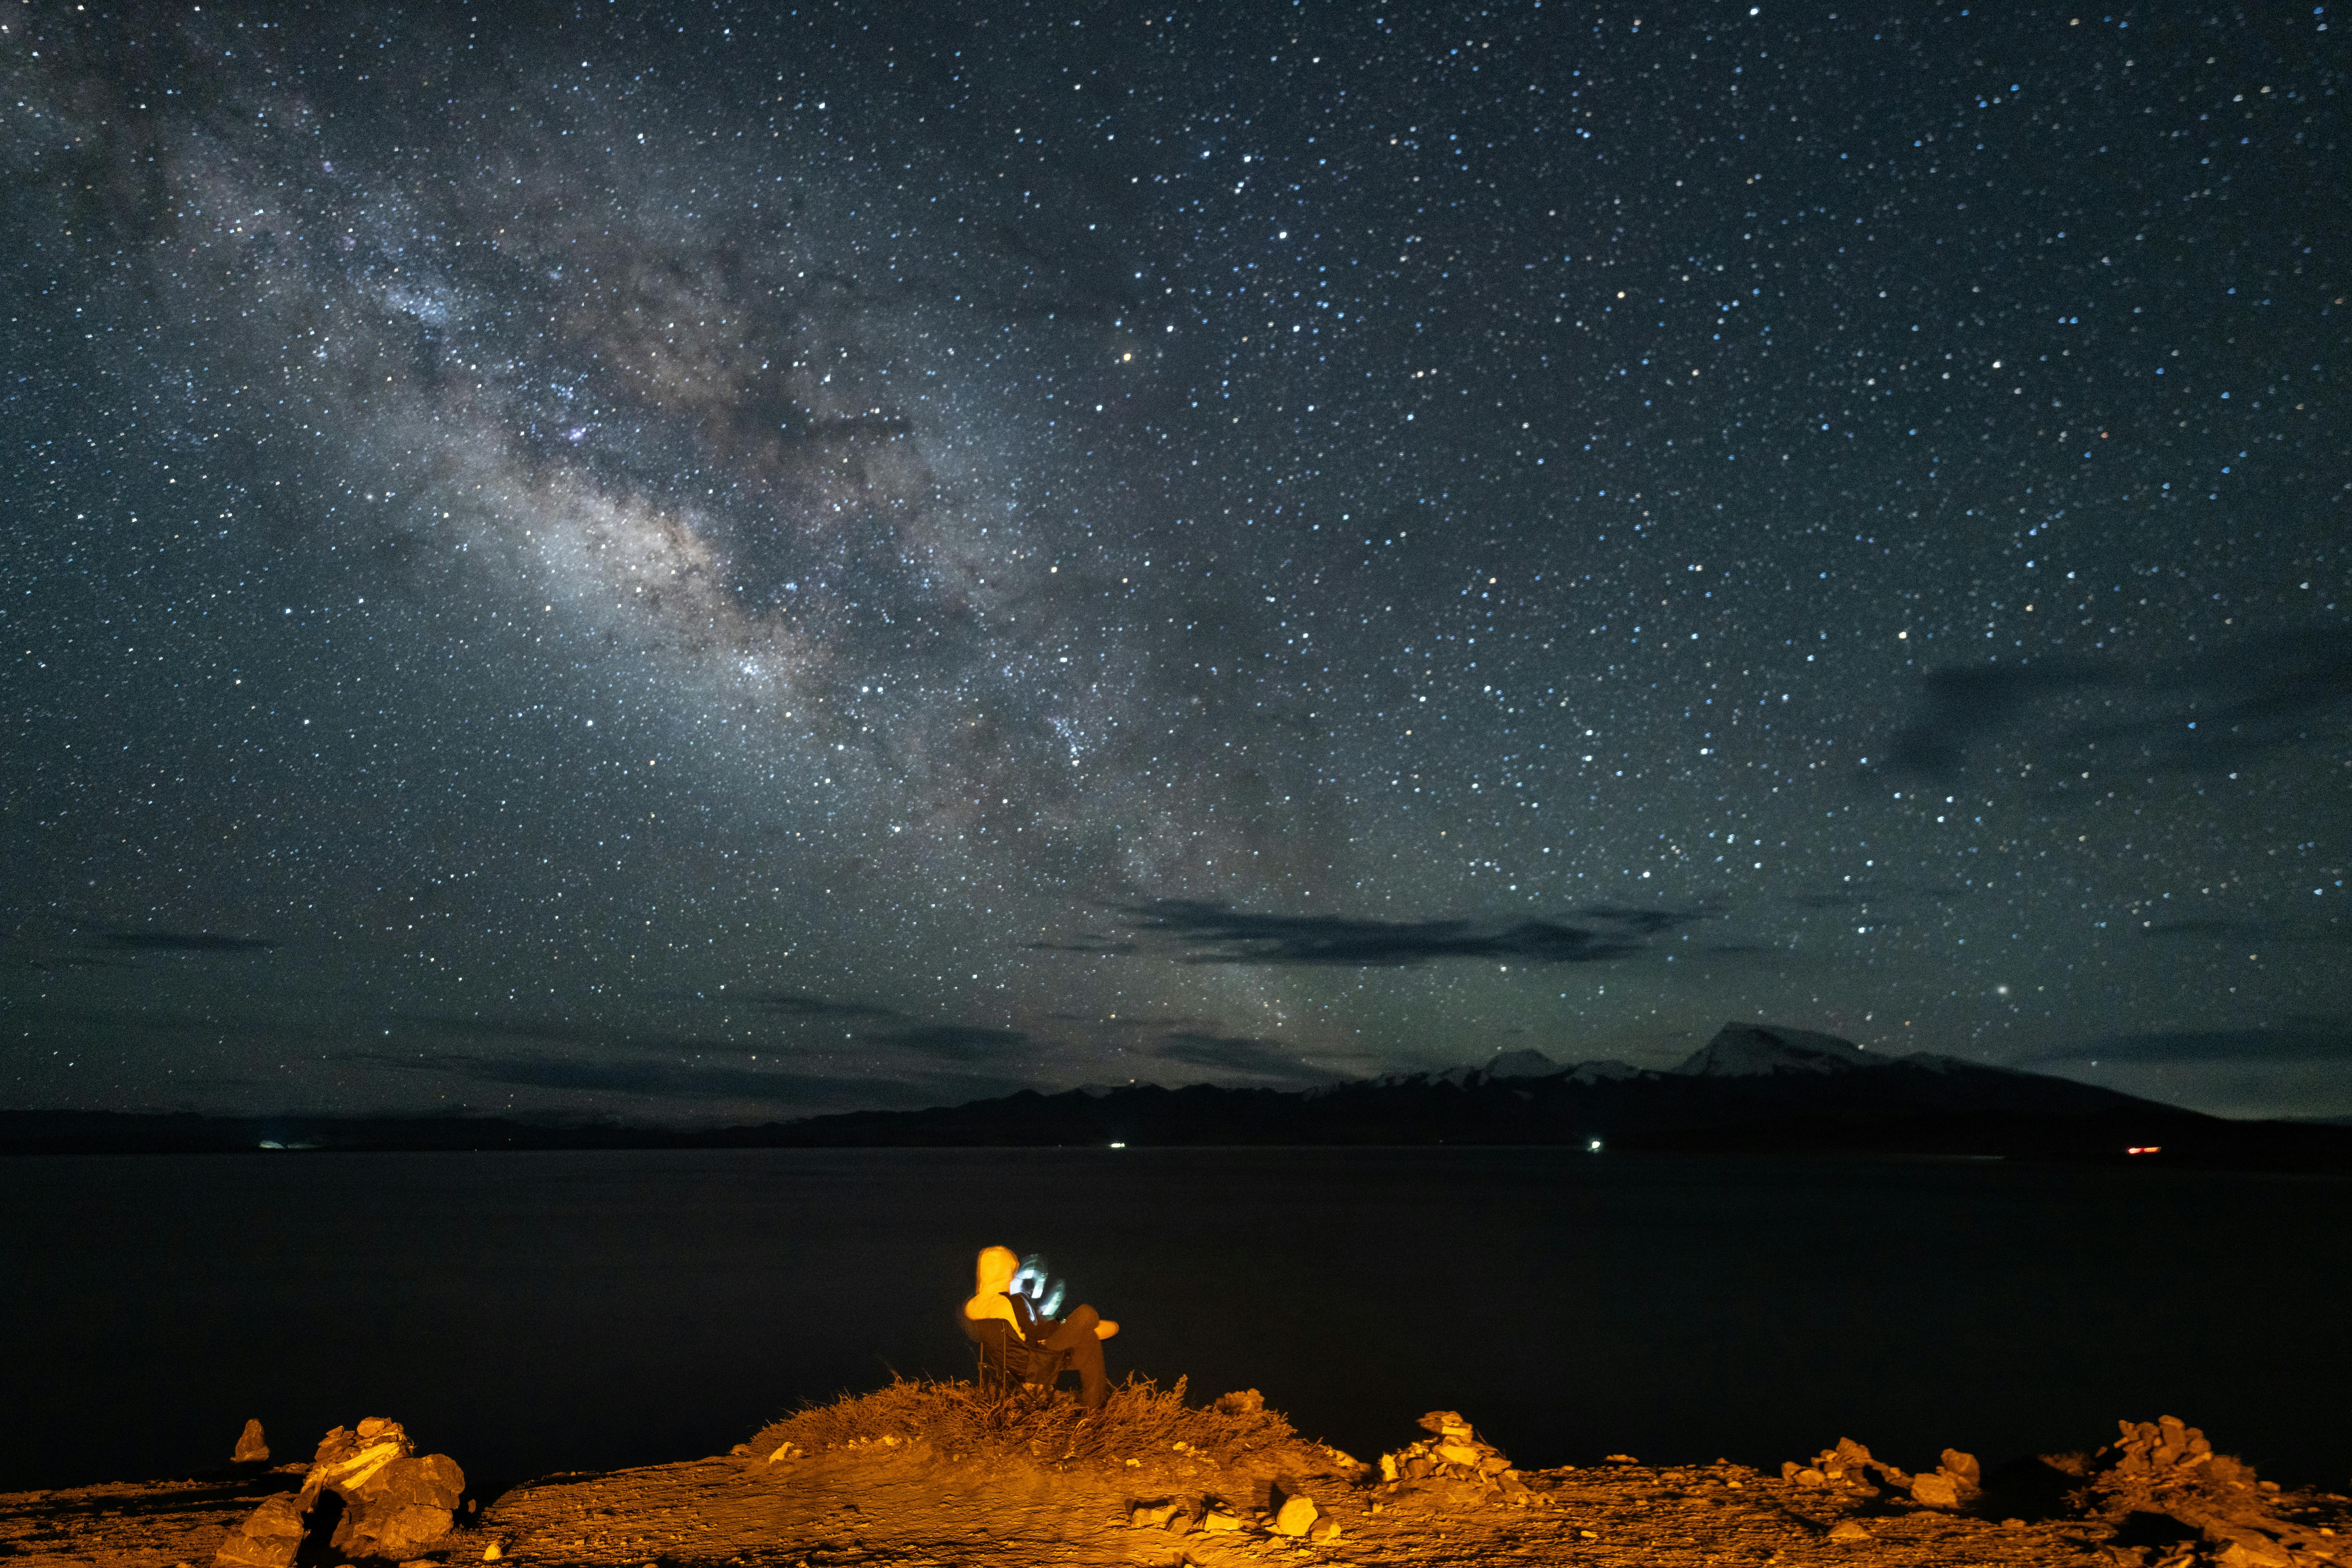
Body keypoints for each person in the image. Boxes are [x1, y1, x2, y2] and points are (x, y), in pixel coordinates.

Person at [962, 1245, 1119, 1408]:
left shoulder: (974, 1307)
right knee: (1087, 1313)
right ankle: (1095, 1408)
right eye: (1013, 1271)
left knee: (1089, 1340)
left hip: (1011, 1367)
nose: (1015, 1275)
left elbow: (1019, 1332)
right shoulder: (1014, 1301)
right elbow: (1038, 1332)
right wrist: (1060, 1326)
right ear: (1006, 1272)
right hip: (1036, 1362)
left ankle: (1094, 1405)